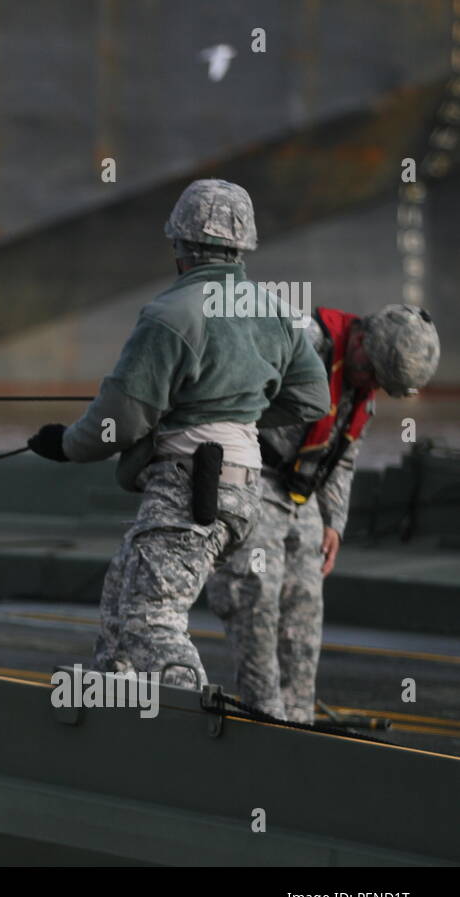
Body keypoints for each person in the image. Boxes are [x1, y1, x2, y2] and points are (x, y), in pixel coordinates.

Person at [27, 179, 330, 690]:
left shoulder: (170, 315)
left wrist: (66, 445)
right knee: (124, 593)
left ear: (180, 247)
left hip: (190, 486)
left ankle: (188, 725)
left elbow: (119, 419)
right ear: (241, 246)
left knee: (152, 620)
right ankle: (114, 704)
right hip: (243, 488)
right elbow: (311, 400)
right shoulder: (276, 311)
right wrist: (239, 411)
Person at [206, 304, 440, 722]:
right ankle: (264, 711)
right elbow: (223, 373)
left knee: (304, 608)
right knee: (255, 595)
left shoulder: (362, 388)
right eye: (371, 373)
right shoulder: (299, 336)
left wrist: (334, 521)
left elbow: (342, 460)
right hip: (252, 474)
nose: (370, 385)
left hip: (302, 495)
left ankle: (296, 714)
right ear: (363, 340)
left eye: (379, 383)